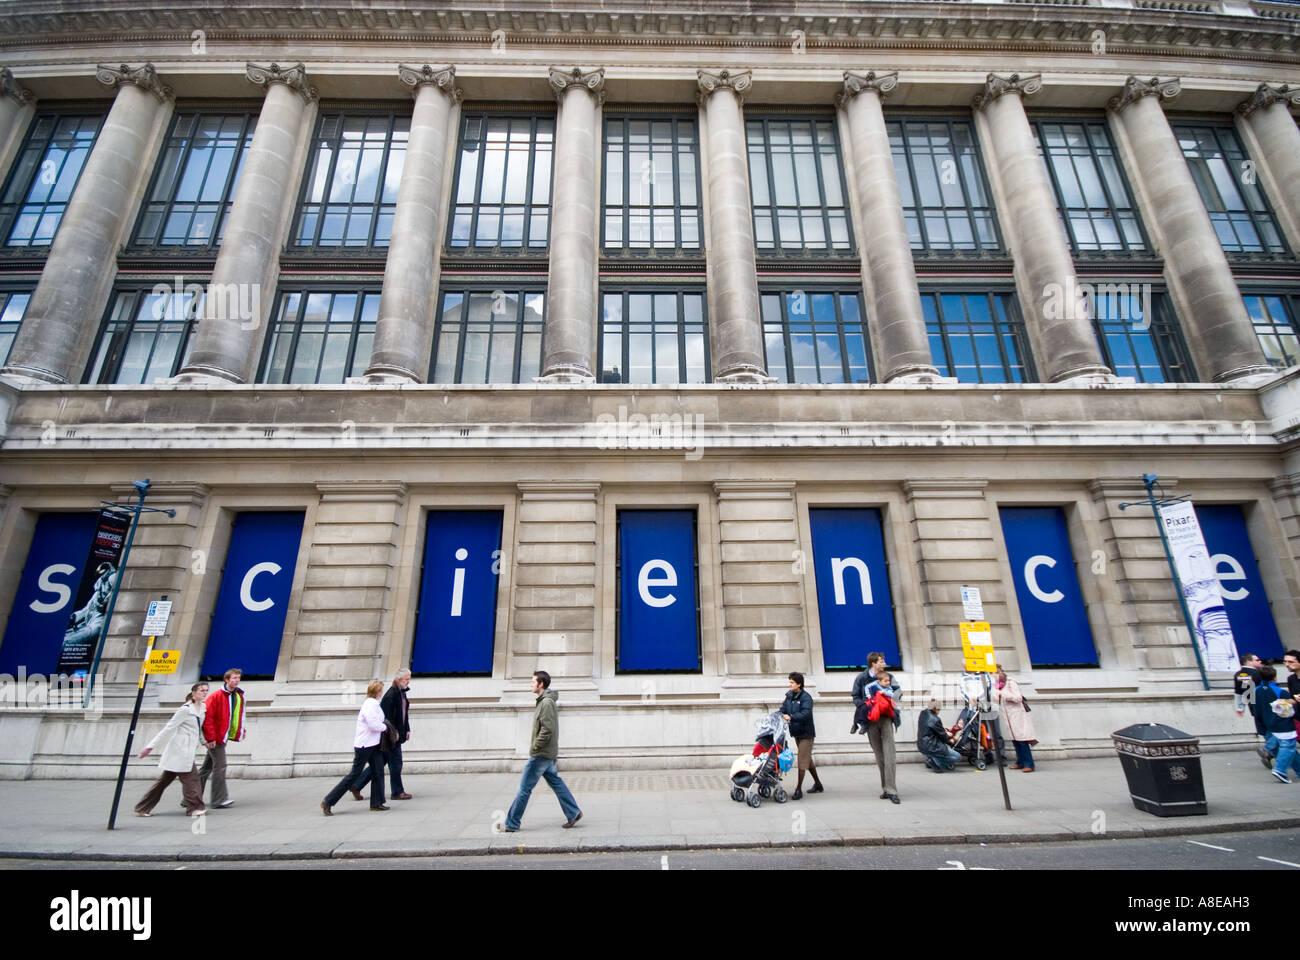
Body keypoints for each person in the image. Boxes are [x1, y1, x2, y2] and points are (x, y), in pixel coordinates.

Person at [498, 671, 582, 832]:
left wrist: (536, 746)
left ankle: (512, 823)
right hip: (546, 753)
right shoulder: (544, 702)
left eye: (533, 681)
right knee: (556, 783)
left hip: (541, 754)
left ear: (541, 684)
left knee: (524, 789)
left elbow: (547, 729)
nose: (530, 684)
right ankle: (573, 812)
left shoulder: (546, 703)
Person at [135, 682, 208, 817]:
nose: (204, 693)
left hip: (188, 749)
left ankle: (143, 807)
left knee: (164, 781)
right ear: (193, 693)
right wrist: (150, 747)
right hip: (179, 750)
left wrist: (205, 742)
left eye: (206, 690)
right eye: (201, 690)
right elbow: (168, 728)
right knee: (192, 779)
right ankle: (195, 807)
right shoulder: (184, 710)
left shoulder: (203, 708)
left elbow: (199, 729)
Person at [321, 680, 389, 813]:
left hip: (373, 743)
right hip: (365, 745)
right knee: (354, 775)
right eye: (381, 690)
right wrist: (385, 727)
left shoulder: (373, 703)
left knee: (378, 771)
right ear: (377, 691)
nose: (382, 692)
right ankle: (328, 801)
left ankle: (376, 802)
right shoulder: (370, 705)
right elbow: (373, 724)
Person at [353, 668, 413, 801]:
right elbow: (385, 718)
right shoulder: (391, 695)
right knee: (396, 763)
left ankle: (356, 785)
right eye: (406, 679)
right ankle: (397, 792)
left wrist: (407, 729)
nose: (408, 682)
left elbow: (404, 714)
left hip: (396, 734)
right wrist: (393, 732)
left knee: (383, 761)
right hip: (391, 736)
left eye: (409, 679)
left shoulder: (401, 693)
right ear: (398, 680)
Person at [852, 652, 901, 804]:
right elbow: (855, 696)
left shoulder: (889, 676)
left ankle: (892, 790)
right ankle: (885, 788)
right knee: (880, 755)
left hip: (886, 719)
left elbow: (898, 691)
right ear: (873, 663)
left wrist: (890, 700)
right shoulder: (862, 678)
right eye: (881, 661)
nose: (884, 663)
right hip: (871, 720)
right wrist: (866, 706)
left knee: (889, 754)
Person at [198, 667, 247, 808]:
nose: (237, 681)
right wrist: (210, 738)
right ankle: (218, 799)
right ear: (227, 680)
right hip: (216, 738)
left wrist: (240, 730)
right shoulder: (216, 696)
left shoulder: (237, 696)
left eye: (238, 678)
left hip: (223, 736)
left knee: (206, 768)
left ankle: (191, 797)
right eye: (234, 678)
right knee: (220, 766)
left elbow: (236, 716)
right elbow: (207, 718)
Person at [781, 671, 823, 800]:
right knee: (807, 759)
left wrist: (791, 717)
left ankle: (798, 789)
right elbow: (783, 708)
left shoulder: (806, 697)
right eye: (790, 682)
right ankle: (818, 784)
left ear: (799, 684)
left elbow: (806, 713)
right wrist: (781, 714)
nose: (790, 684)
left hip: (806, 733)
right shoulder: (789, 696)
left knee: (802, 760)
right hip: (796, 732)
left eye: (792, 682)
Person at [1254, 665, 1299, 784]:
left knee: (1289, 750)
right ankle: (1280, 770)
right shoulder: (1280, 692)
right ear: (1274, 677)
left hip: (1267, 724)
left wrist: (1260, 727)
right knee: (1288, 747)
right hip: (1283, 725)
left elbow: (1256, 711)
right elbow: (1290, 710)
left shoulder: (1255, 691)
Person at [994, 667, 1036, 772]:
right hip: (1008, 716)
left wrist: (1003, 694)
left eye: (992, 674)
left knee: (1022, 740)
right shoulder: (997, 685)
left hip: (1017, 715)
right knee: (1015, 740)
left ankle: (1029, 763)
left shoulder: (1010, 682)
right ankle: (1020, 761)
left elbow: (1018, 698)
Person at [917, 698, 962, 772]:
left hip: (922, 744)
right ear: (935, 709)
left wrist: (943, 730)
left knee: (939, 753)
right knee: (958, 757)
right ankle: (937, 762)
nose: (939, 712)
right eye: (939, 710)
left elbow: (930, 729)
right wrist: (951, 741)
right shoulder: (935, 719)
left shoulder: (923, 713)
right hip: (932, 746)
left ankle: (932, 759)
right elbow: (943, 736)